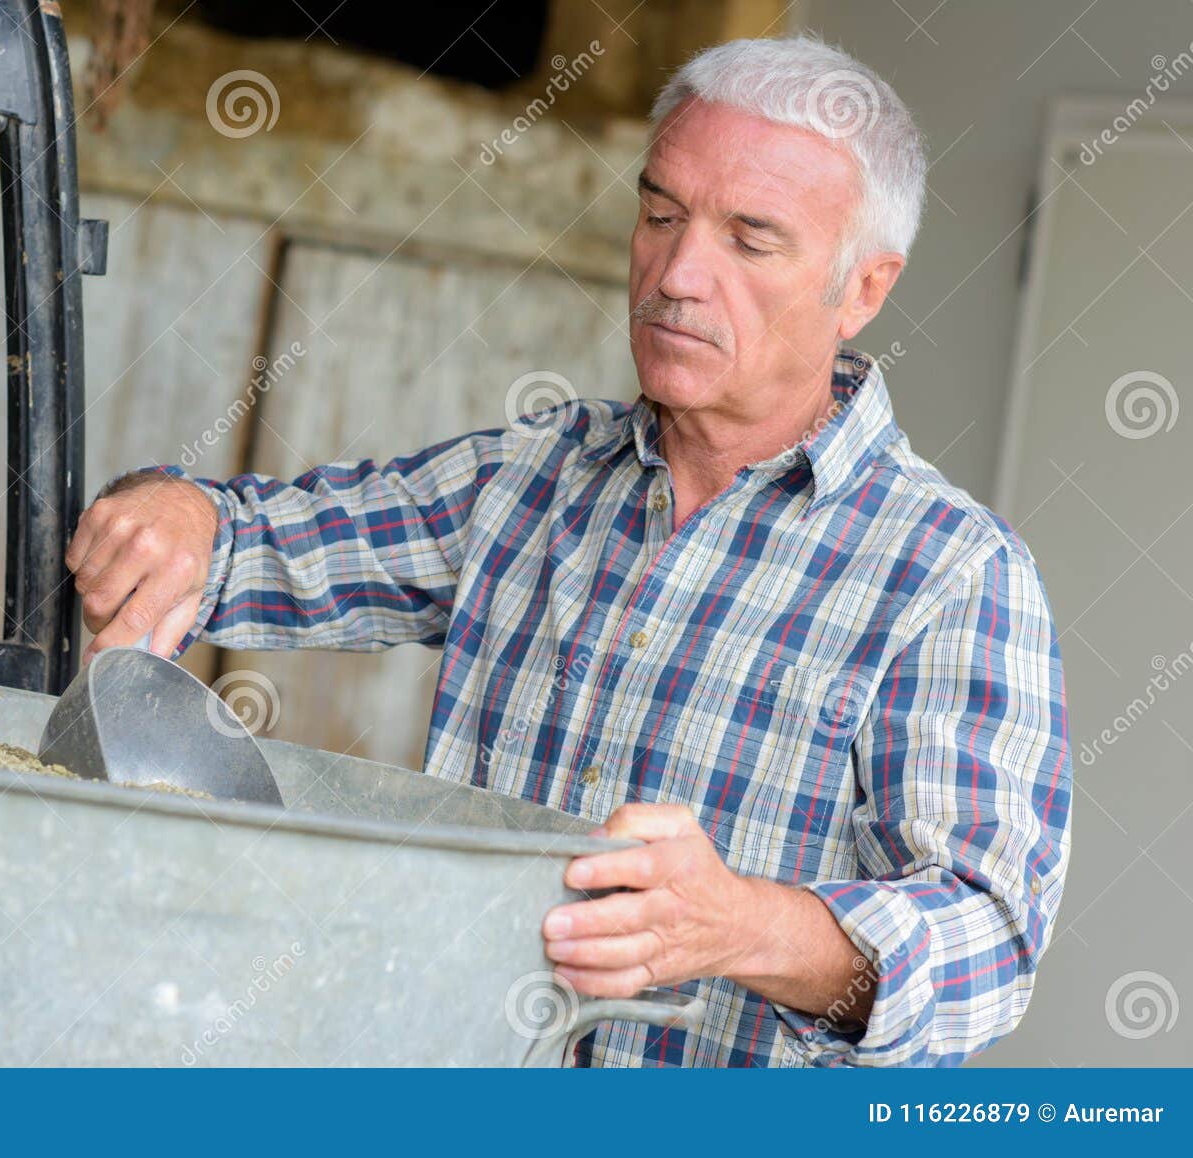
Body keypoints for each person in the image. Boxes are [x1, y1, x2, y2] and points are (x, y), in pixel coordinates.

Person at [65, 35, 1072, 1067]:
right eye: (660, 214)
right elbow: (255, 546)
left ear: (861, 289)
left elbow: (986, 949)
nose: (677, 274)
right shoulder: (535, 473)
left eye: (750, 239)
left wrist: (744, 924)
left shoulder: (951, 574)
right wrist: (181, 512)